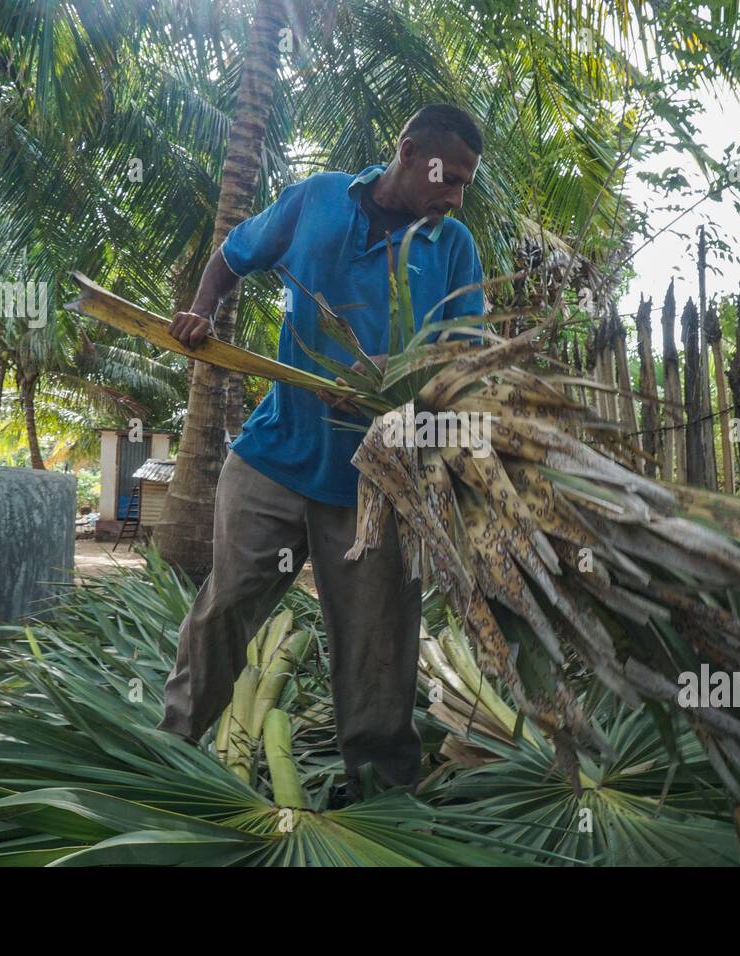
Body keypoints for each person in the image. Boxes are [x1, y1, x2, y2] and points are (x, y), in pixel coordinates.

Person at [158, 104, 486, 806]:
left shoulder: (452, 245)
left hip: (378, 483)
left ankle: (378, 795)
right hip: (275, 457)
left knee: (377, 643)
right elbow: (231, 255)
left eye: (465, 185)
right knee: (225, 607)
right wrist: (203, 311)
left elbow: (468, 362)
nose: (456, 196)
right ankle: (170, 751)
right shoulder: (314, 201)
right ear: (407, 152)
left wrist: (392, 383)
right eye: (448, 176)